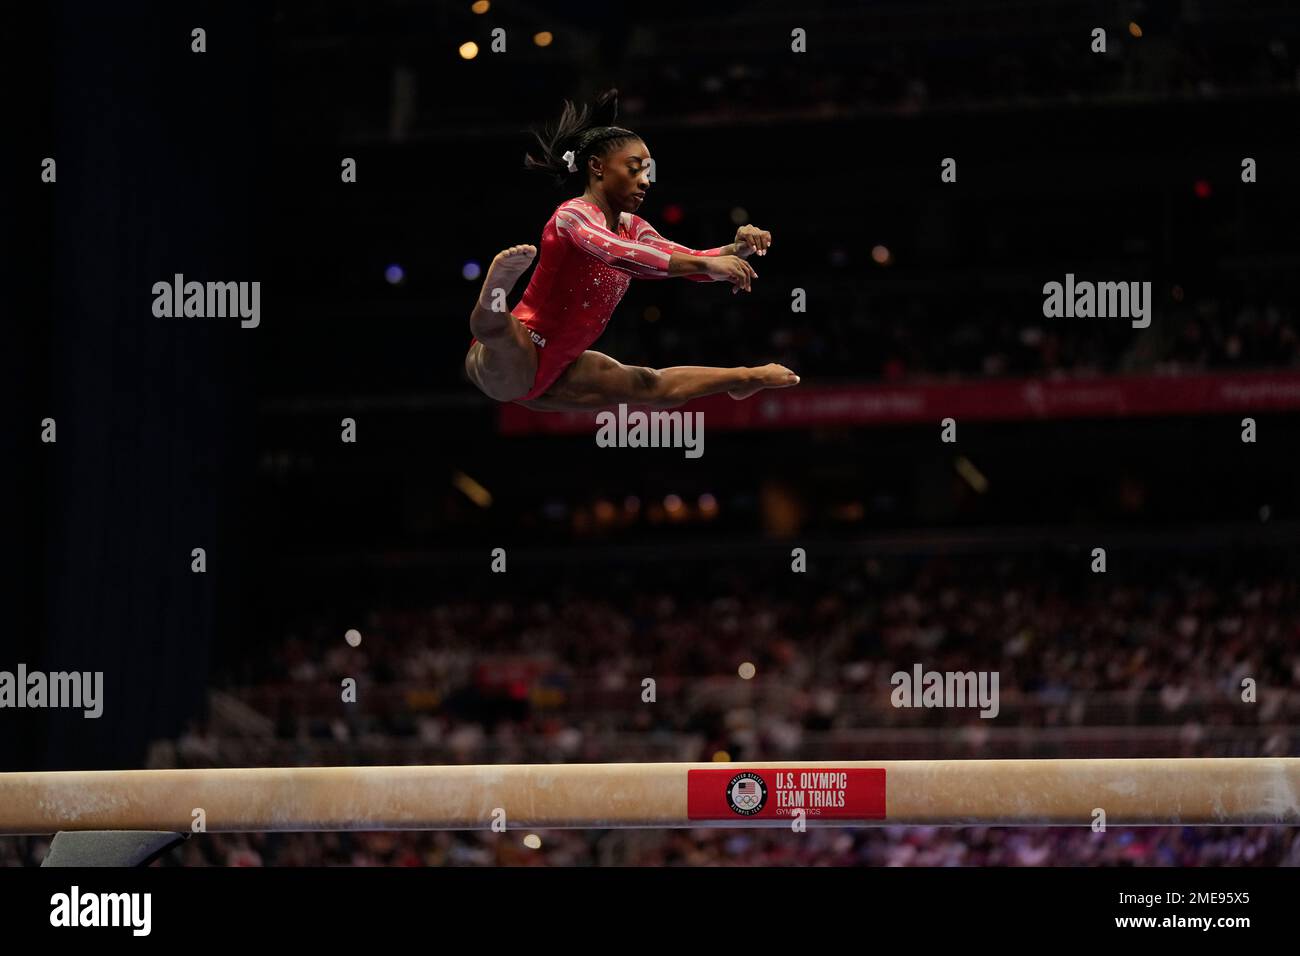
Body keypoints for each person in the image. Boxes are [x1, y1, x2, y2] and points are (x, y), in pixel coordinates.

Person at [464, 89, 800, 410]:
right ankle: (496, 287)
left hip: (555, 372)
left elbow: (690, 261)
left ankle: (744, 379)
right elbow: (618, 254)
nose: (645, 181)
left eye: (648, 172)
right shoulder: (572, 216)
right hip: (509, 356)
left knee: (649, 386)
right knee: (503, 334)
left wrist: (735, 249)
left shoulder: (633, 228)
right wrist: (715, 266)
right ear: (597, 167)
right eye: (634, 168)